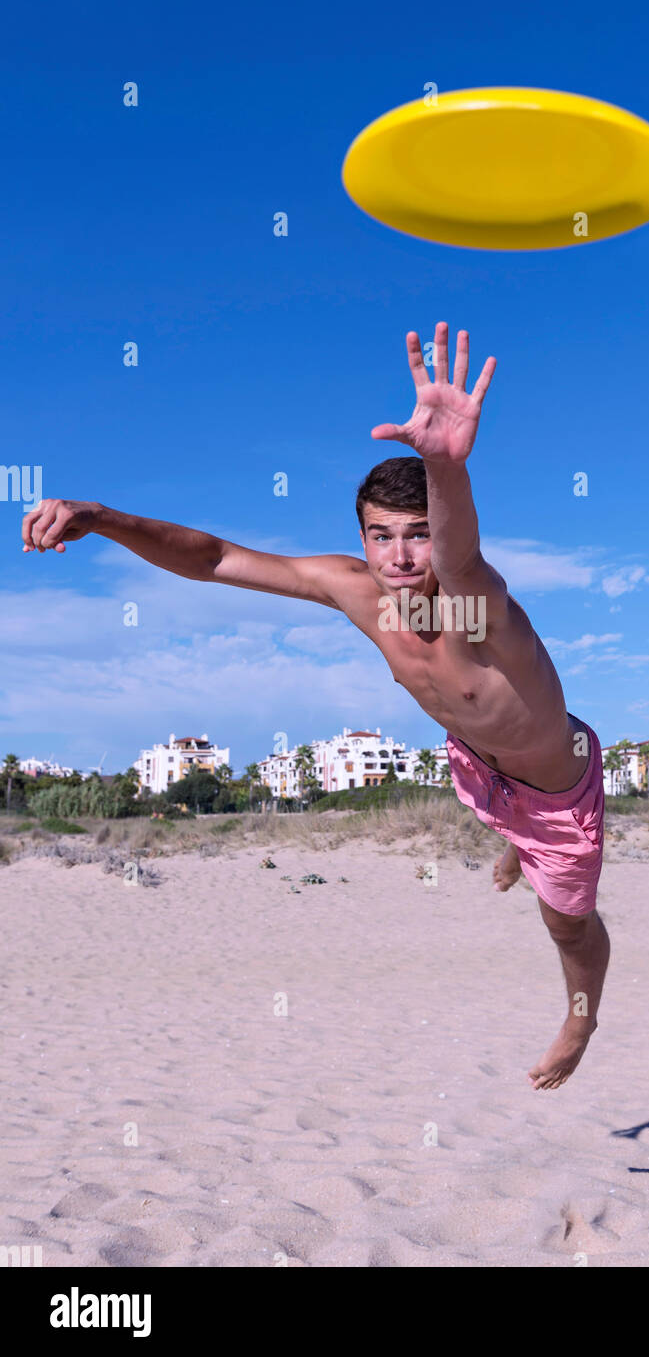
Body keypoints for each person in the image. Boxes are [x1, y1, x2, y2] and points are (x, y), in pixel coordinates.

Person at [21, 322, 610, 1090]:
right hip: (475, 762)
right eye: (382, 537)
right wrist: (100, 516)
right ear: (360, 538)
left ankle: (581, 1017)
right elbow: (214, 558)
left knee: (564, 920)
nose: (400, 558)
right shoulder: (357, 590)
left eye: (419, 537)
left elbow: (462, 559)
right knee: (491, 789)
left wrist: (445, 467)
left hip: (556, 782)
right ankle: (508, 837)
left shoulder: (476, 605)